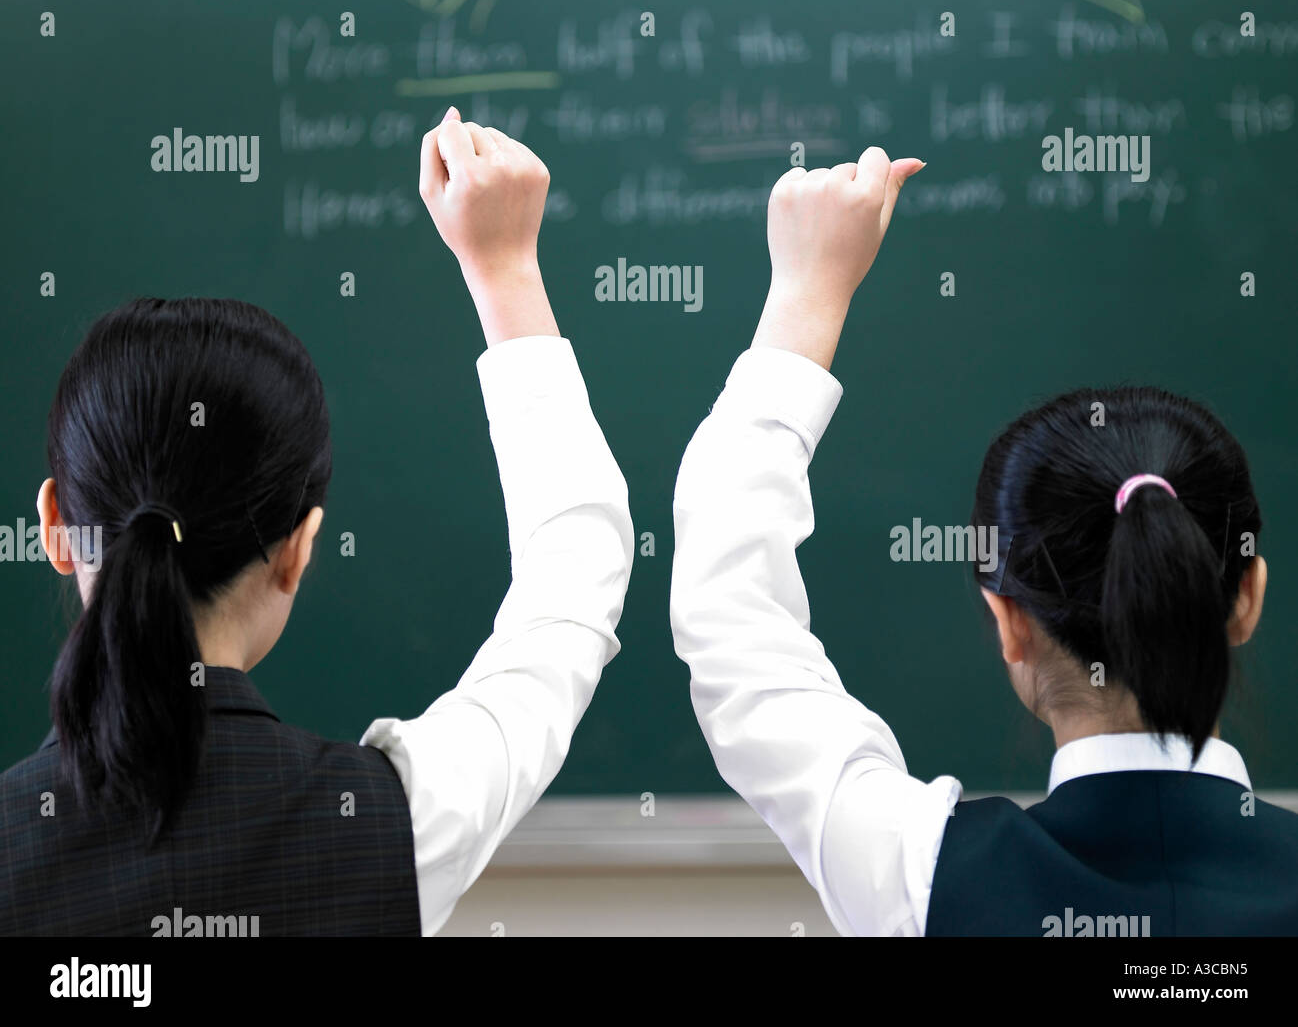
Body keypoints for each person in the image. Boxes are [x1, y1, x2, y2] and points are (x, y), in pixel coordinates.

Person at [0, 109, 633, 937]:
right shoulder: (389, 820)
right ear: (299, 548)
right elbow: (572, 584)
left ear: (55, 526)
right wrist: (504, 266)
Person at [670, 147, 1297, 936]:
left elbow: (734, 628)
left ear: (1011, 623)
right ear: (1246, 597)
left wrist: (808, 290)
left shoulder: (924, 874)